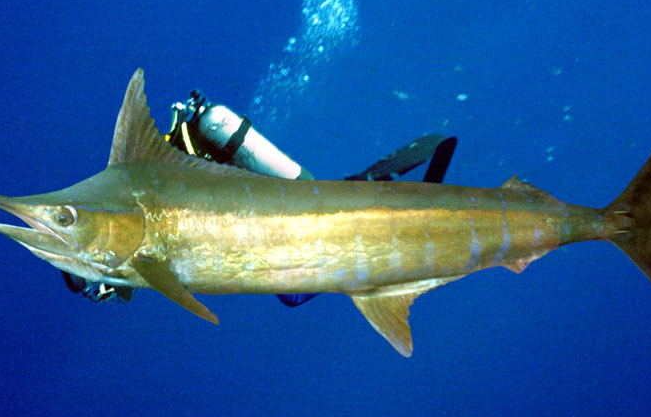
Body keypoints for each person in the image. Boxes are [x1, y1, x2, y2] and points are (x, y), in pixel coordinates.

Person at [62, 90, 457, 305]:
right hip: (244, 203)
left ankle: (406, 184)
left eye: (86, 280)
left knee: (324, 230)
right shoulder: (126, 246)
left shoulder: (126, 236)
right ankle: (407, 190)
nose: (95, 288)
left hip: (249, 197)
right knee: (303, 271)